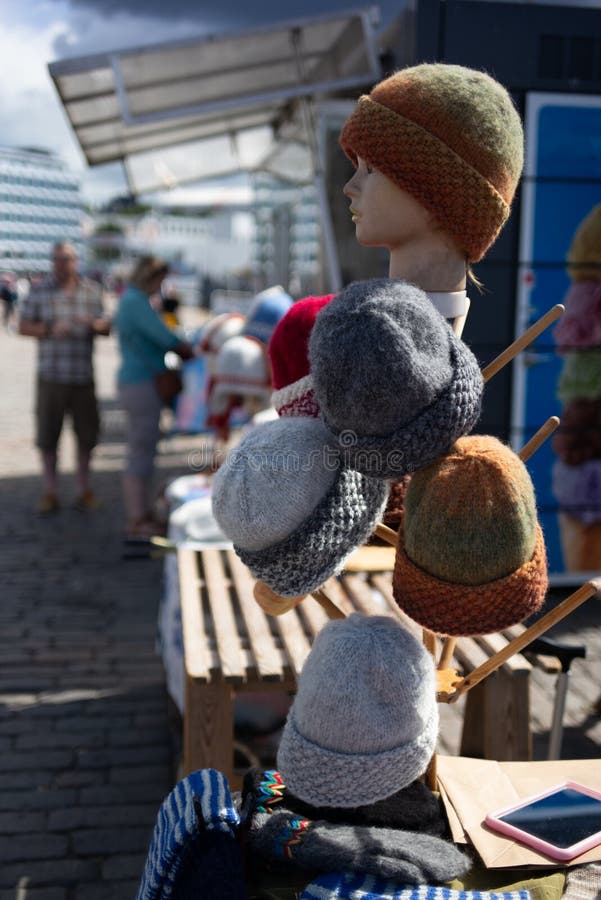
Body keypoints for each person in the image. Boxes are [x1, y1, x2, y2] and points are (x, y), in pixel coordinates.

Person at [18, 242, 110, 514]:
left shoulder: (92, 292)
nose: (61, 264)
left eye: (66, 259)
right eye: (57, 259)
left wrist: (93, 324)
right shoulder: (39, 291)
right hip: (51, 376)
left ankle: (83, 487)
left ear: (75, 261)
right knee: (48, 436)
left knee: (86, 435)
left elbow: (106, 326)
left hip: (83, 376)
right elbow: (22, 326)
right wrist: (47, 329)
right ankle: (50, 490)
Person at [114, 256, 194, 538]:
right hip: (141, 383)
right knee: (141, 450)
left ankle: (141, 514)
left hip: (137, 381)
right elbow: (164, 337)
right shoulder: (136, 301)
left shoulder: (130, 299)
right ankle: (138, 519)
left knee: (142, 448)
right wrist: (188, 347)